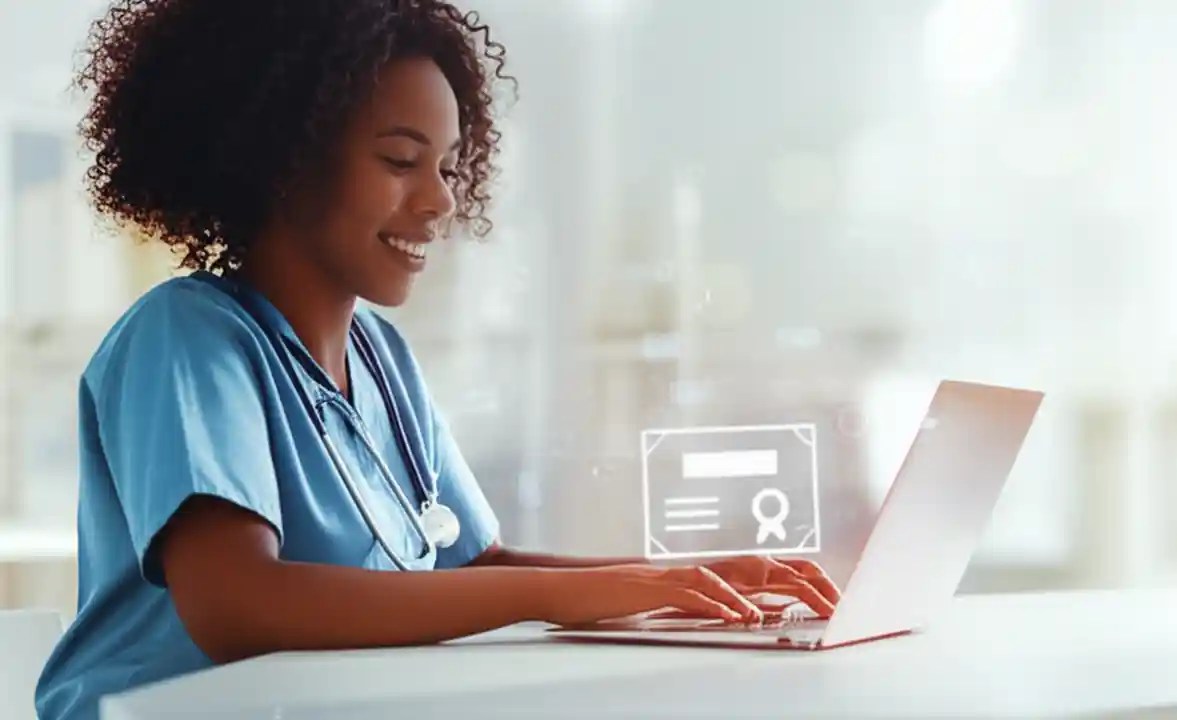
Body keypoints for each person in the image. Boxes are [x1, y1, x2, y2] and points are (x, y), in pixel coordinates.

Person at [34, 1, 841, 718]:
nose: (444, 199)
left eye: (450, 166)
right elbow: (236, 602)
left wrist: (681, 583)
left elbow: (477, 564)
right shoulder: (185, 337)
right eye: (399, 160)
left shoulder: (380, 357)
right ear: (283, 156)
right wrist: (576, 593)